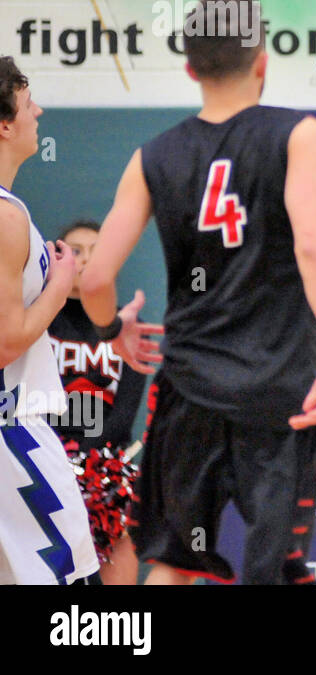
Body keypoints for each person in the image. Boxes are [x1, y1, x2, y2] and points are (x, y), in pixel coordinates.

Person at [81, 0, 316, 585]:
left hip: (188, 391)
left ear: (189, 68)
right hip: (279, 389)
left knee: (177, 562)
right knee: (274, 568)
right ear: (262, 60)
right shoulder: (298, 133)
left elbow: (96, 277)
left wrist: (112, 331)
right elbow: (312, 244)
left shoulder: (153, 156)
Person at [0, 57, 149, 585]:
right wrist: (62, 286)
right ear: (4, 123)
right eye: (26, 102)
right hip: (14, 433)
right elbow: (4, 343)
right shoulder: (7, 216)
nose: (38, 110)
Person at [48, 219, 147, 584]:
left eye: (97, 251)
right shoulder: (43, 321)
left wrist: (90, 458)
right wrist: (60, 460)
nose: (86, 260)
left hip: (107, 466)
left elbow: (125, 412)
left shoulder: (125, 325)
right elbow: (30, 399)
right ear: (59, 258)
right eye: (76, 251)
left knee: (122, 534)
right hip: (47, 462)